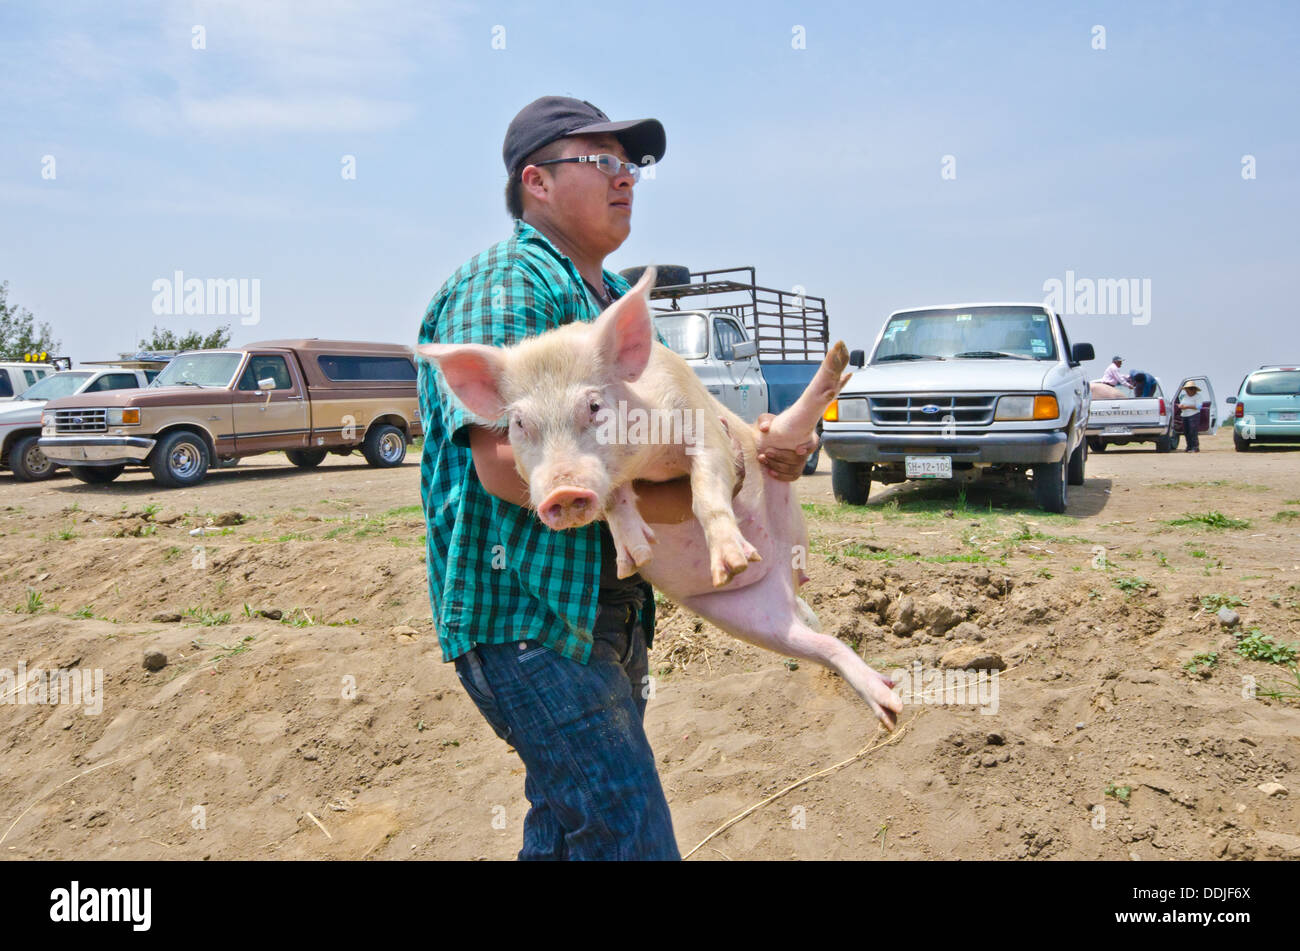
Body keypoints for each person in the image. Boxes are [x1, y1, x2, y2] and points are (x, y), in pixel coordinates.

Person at [417, 96, 816, 861]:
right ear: (535, 181)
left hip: (599, 610)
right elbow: (506, 464)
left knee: (572, 831)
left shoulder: (606, 306)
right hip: (530, 618)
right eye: (601, 162)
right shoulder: (511, 284)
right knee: (629, 839)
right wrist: (687, 484)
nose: (625, 178)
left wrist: (744, 460)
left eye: (630, 165)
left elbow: (660, 446)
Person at [1177, 383, 1202, 452]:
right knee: (1186, 432)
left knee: (1193, 432)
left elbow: (1199, 407)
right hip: (1184, 415)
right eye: (1186, 390)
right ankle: (1189, 446)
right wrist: (1180, 406)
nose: (1187, 391)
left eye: (1188, 390)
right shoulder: (1185, 396)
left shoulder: (1198, 396)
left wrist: (1187, 407)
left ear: (1193, 389)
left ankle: (1195, 447)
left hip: (1194, 415)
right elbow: (1182, 404)